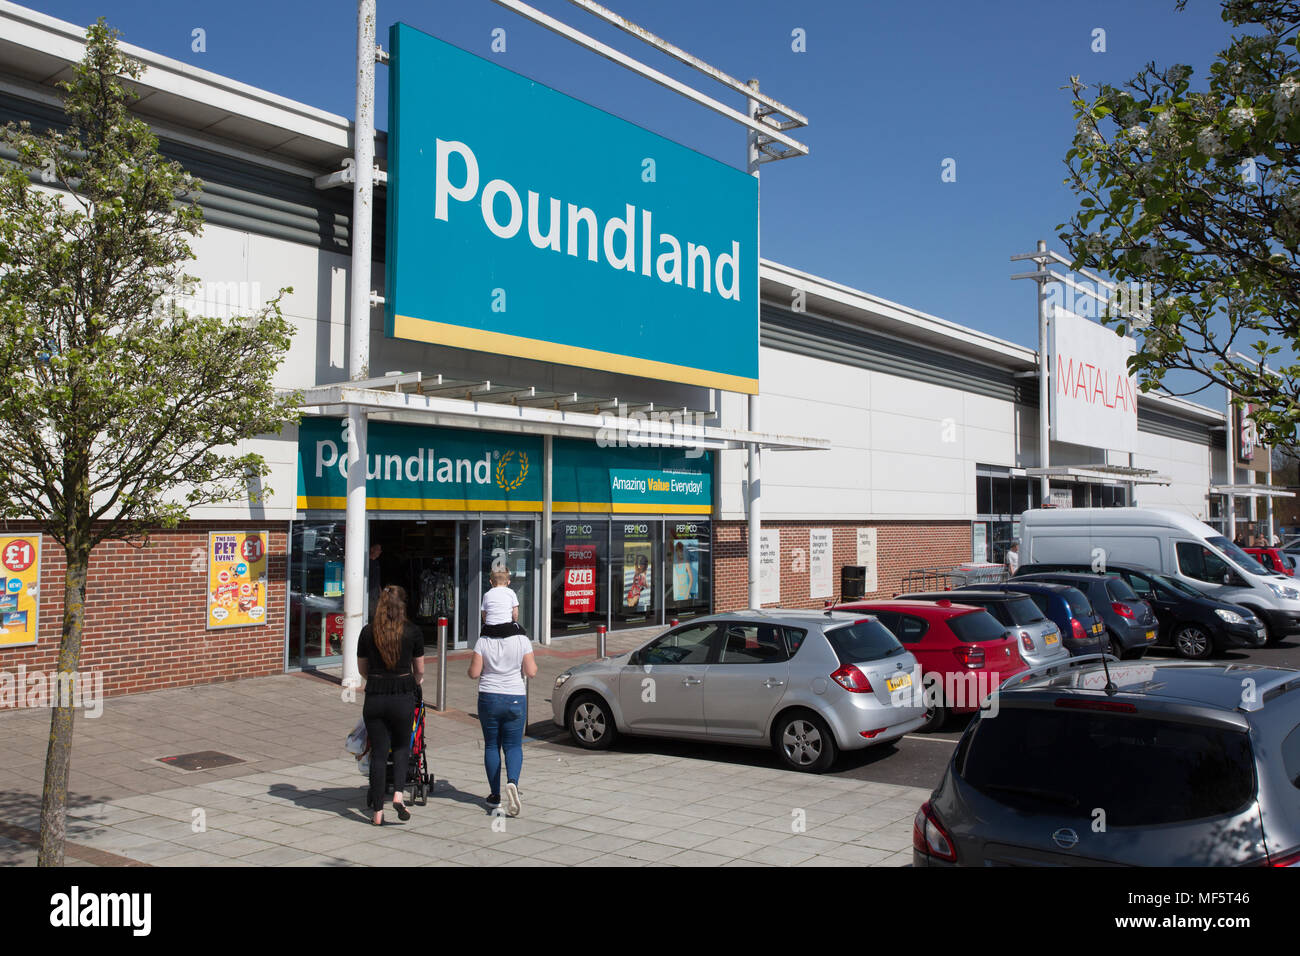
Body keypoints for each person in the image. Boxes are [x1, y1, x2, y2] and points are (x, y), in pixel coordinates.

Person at [469, 568, 537, 816]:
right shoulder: (521, 639)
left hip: (488, 697)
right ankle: (514, 783)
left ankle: (495, 795)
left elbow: (474, 673)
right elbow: (531, 671)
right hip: (515, 697)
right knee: (513, 746)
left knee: (491, 746)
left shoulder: (483, 640)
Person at [357, 584, 424, 826]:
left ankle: (377, 812)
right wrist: (415, 682)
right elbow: (420, 670)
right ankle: (397, 794)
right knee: (400, 748)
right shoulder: (412, 632)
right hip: (402, 695)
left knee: (378, 753)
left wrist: (377, 680)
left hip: (375, 696)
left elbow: (362, 669)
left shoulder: (367, 632)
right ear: (403, 605)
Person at [367, 542, 383, 621]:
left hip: (375, 592)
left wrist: (380, 591)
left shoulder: (376, 562)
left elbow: (377, 579)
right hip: (369, 592)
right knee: (371, 614)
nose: (380, 551)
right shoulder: (366, 562)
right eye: (378, 549)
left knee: (376, 612)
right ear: (372, 549)